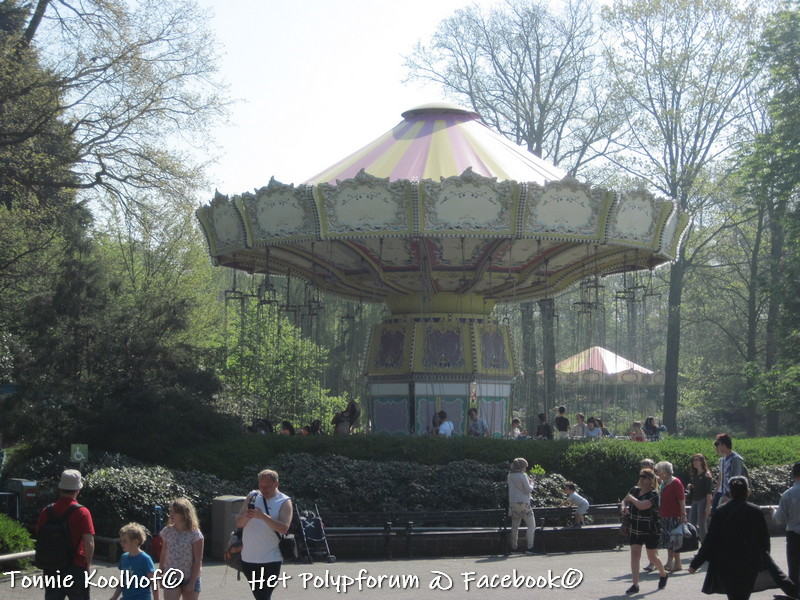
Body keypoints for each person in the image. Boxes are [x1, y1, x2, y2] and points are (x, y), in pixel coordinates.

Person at [688, 476, 771, 600]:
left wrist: (695, 563)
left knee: (733, 595)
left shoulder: (721, 511)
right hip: (749, 562)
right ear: (747, 491)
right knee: (743, 595)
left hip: (726, 562)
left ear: (730, 493)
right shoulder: (756, 511)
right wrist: (764, 561)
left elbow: (710, 540)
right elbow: (764, 539)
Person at [36, 469, 95, 600]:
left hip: (51, 565)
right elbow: (89, 542)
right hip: (76, 566)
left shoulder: (46, 511)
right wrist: (88, 565)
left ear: (61, 488)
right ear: (78, 490)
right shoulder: (82, 512)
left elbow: (40, 536)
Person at [236, 469, 293, 600]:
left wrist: (263, 517)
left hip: (271, 559)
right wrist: (247, 516)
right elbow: (239, 523)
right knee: (260, 596)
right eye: (261, 486)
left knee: (263, 596)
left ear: (276, 484)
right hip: (248, 559)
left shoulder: (284, 501)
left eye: (268, 486)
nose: (264, 490)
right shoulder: (252, 496)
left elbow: (284, 528)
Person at [621, 468, 669, 594]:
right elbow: (624, 501)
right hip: (635, 527)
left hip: (650, 529)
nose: (641, 479)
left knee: (652, 557)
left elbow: (642, 506)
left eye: (644, 477)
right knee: (635, 554)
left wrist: (631, 499)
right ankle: (635, 585)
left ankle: (663, 574)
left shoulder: (655, 494)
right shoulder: (634, 490)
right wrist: (624, 507)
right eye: (641, 476)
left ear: (650, 480)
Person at [159, 498, 203, 600]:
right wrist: (160, 574)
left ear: (184, 514)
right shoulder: (167, 531)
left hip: (190, 576)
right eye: (170, 511)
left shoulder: (195, 534)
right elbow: (163, 553)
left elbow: (198, 560)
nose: (171, 514)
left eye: (175, 512)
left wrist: (192, 583)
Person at [110, 522, 158, 600]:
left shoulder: (145, 559)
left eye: (125, 541)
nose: (121, 543)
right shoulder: (124, 558)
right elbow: (123, 580)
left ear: (135, 542)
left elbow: (153, 581)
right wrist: (114, 597)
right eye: (121, 540)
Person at [655, 461, 687, 572]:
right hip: (665, 515)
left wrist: (683, 514)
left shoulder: (675, 482)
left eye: (658, 471)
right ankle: (677, 564)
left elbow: (681, 500)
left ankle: (669, 563)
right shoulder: (664, 483)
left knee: (672, 541)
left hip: (674, 516)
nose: (657, 473)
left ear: (664, 472)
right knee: (673, 541)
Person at [773, 461, 800, 587]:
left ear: (794, 475)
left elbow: (779, 519)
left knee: (794, 570)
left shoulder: (788, 494)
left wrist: (774, 513)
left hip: (794, 535)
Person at [507, 458, 536, 555]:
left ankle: (514, 548)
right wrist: (532, 483)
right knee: (531, 525)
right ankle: (530, 548)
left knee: (515, 526)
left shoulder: (510, 476)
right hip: (524, 503)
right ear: (522, 467)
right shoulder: (523, 475)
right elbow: (528, 490)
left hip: (513, 503)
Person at [712, 433, 747, 513]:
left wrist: (728, 495)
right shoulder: (723, 460)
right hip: (724, 494)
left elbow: (737, 479)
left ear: (724, 445)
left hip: (733, 496)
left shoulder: (736, 459)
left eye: (718, 444)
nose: (717, 447)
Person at [687, 453, 714, 542]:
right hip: (695, 500)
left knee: (701, 524)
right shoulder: (695, 474)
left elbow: (709, 492)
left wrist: (708, 506)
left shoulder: (706, 474)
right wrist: (691, 485)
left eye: (697, 460)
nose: (694, 462)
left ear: (702, 461)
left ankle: (704, 546)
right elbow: (698, 485)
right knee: (691, 522)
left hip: (703, 500)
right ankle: (699, 541)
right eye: (693, 460)